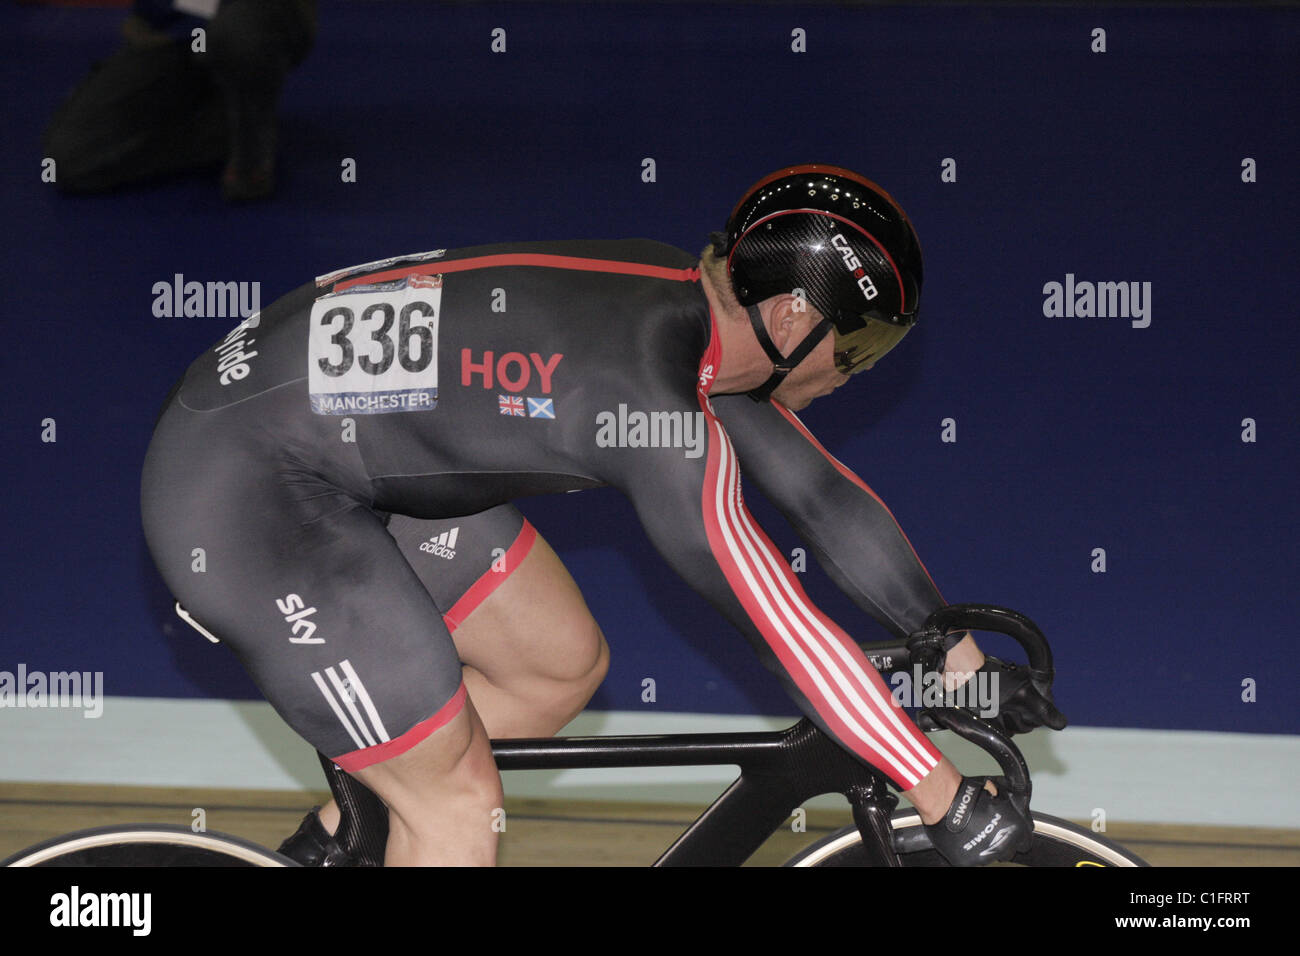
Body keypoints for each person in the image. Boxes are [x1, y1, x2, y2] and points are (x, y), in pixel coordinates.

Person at [140, 164, 1064, 866]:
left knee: (554, 665)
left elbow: (822, 497)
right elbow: (777, 623)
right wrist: (941, 794)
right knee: (459, 801)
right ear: (790, 320)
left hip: (333, 451)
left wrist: (957, 658)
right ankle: (414, 803)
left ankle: (346, 840)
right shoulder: (646, 396)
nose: (858, 370)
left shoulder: (687, 317)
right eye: (858, 345)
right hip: (250, 493)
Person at [43, 0, 316, 201]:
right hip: (174, 28)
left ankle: (252, 143)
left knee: (238, 36)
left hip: (255, 16)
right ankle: (228, 123)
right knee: (70, 160)